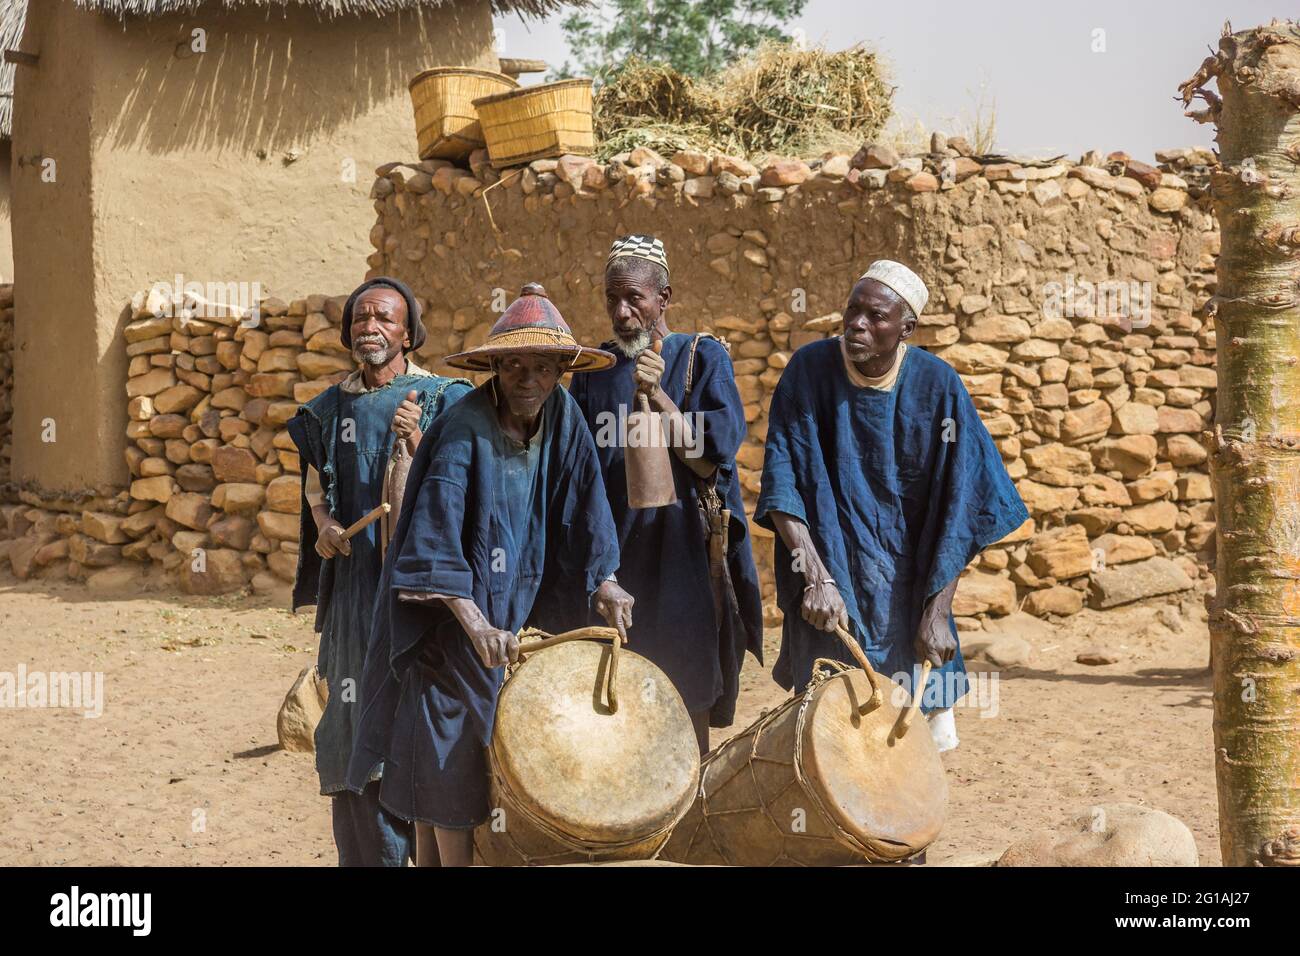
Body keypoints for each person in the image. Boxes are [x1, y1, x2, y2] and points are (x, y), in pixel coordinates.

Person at [346, 283, 636, 867]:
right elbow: (431, 539)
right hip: (451, 632)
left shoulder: (564, 417)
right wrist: (474, 621)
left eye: (542, 367)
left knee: (488, 764)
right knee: (448, 767)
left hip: (515, 623)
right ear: (496, 368)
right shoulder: (462, 431)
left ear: (561, 371)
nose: (528, 378)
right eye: (515, 365)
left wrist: (603, 577)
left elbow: (588, 507)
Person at [755, 260, 1028, 754]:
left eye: (875, 316)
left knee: (913, 742)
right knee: (832, 737)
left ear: (906, 328)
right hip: (830, 582)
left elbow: (962, 507)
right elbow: (783, 484)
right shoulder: (809, 371)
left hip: (909, 587)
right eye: (852, 310)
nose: (857, 324)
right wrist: (817, 578)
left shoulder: (937, 386)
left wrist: (938, 612)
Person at [286, 276, 471, 866]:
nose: (371, 327)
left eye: (385, 319)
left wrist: (416, 442)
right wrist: (324, 524)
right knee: (348, 733)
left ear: (409, 332)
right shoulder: (328, 409)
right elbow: (316, 484)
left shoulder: (443, 400)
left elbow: (462, 487)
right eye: (362, 318)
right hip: (352, 596)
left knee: (413, 726)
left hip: (419, 595)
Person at [568, 235, 763, 753]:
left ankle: (691, 807)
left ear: (664, 298)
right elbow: (578, 467)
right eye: (612, 299)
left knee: (684, 686)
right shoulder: (594, 371)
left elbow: (709, 456)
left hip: (681, 554)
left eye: (635, 298)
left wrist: (657, 396)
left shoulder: (700, 355)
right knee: (614, 689)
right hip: (615, 554)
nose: (622, 311)